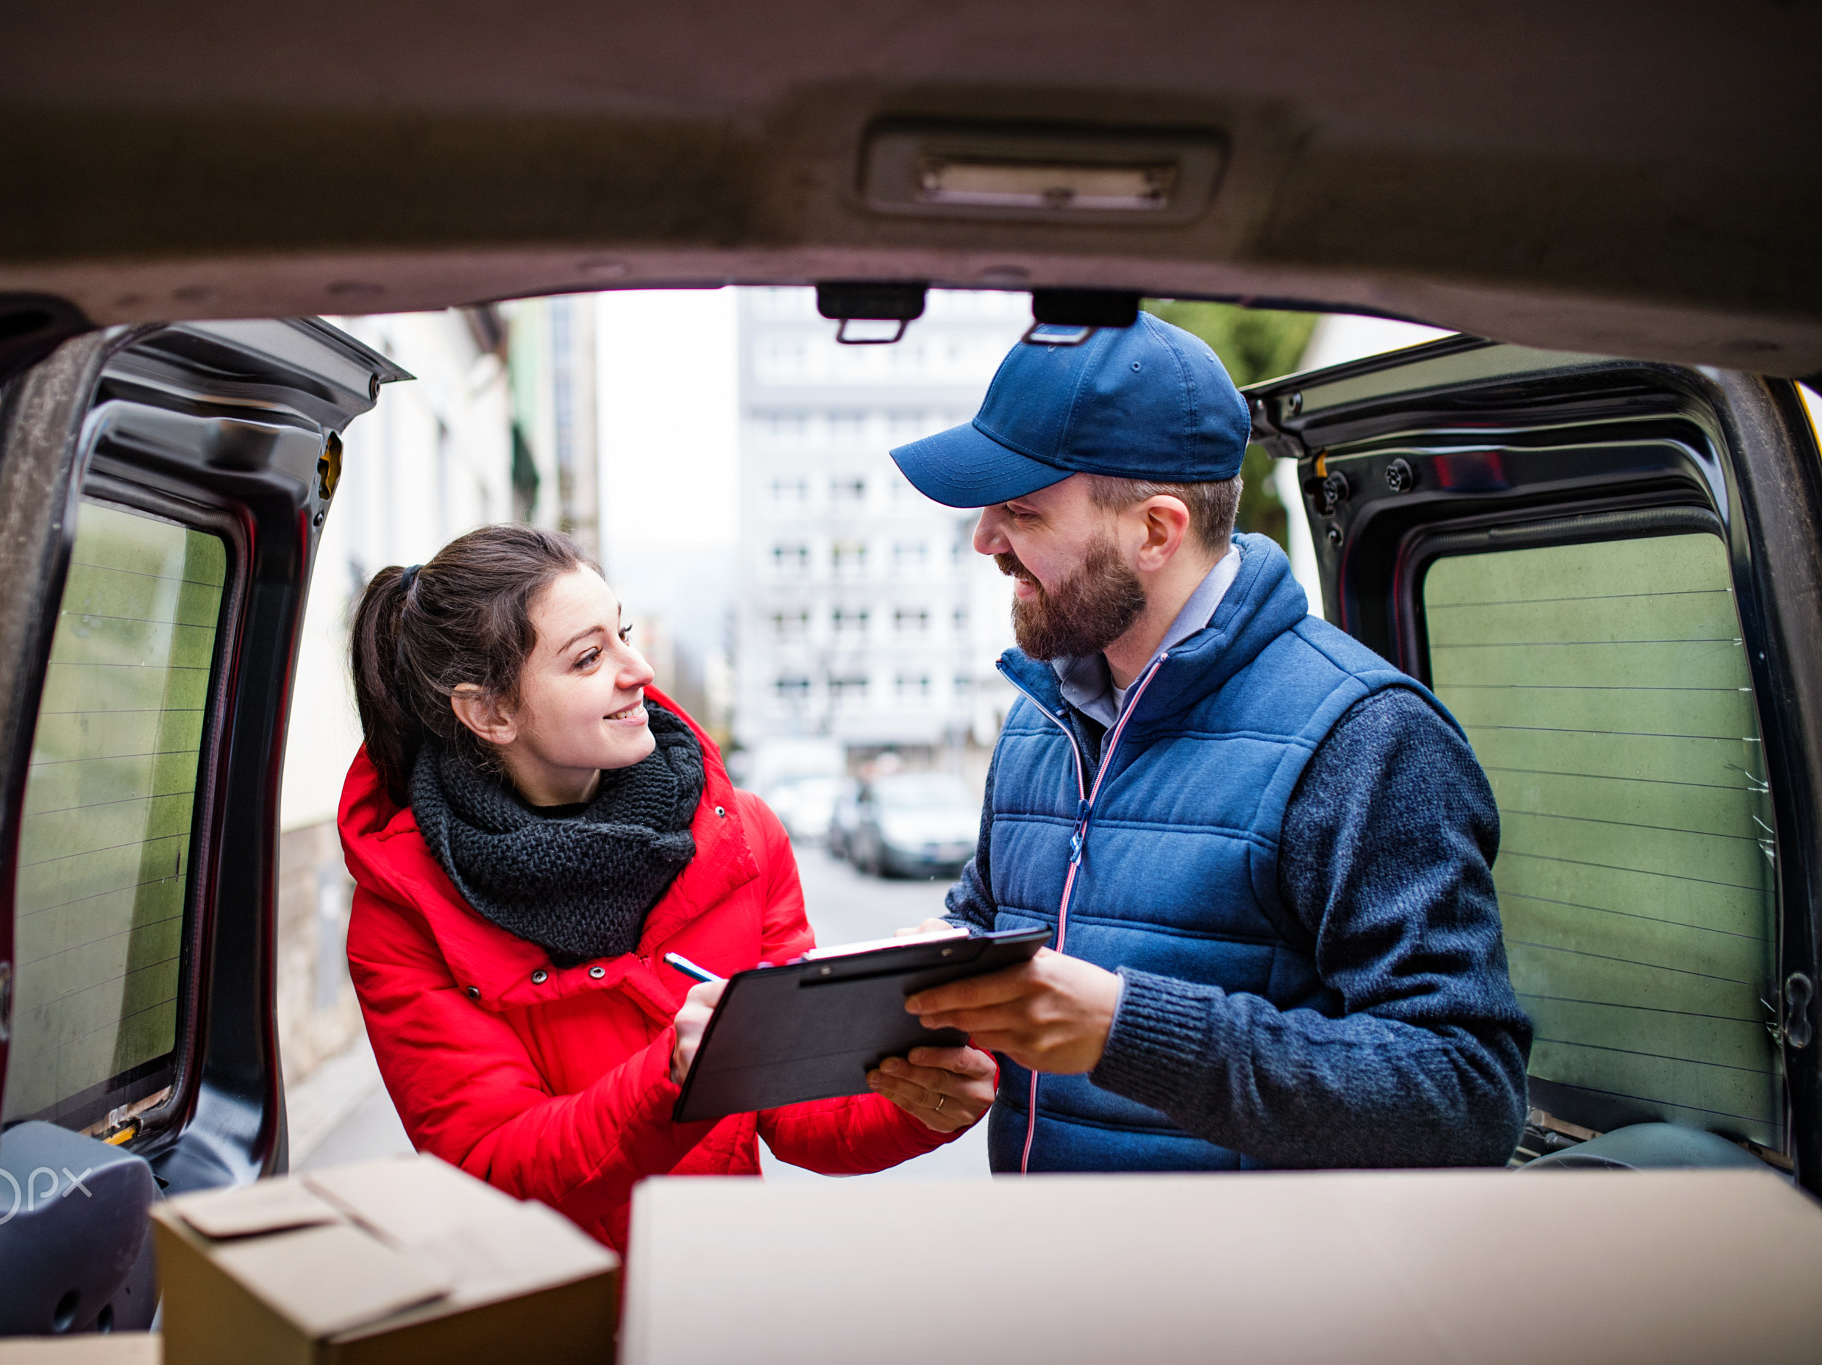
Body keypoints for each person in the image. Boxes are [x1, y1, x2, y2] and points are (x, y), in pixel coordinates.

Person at [886, 315, 1532, 1173]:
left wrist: (1129, 1032)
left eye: (1021, 511)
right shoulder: (1039, 719)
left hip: (1254, 1301)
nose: (986, 541)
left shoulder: (1366, 738)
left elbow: (1464, 1094)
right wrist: (919, 998)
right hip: (1048, 1283)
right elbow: (988, 926)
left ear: (1156, 530)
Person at [339, 524, 995, 1252]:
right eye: (589, 657)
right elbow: (492, 1166)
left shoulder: (743, 835)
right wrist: (672, 1074)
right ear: (489, 712)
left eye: (622, 632)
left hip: (716, 1299)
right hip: (548, 1312)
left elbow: (793, 1108)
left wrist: (921, 1096)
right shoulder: (406, 911)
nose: (640, 668)